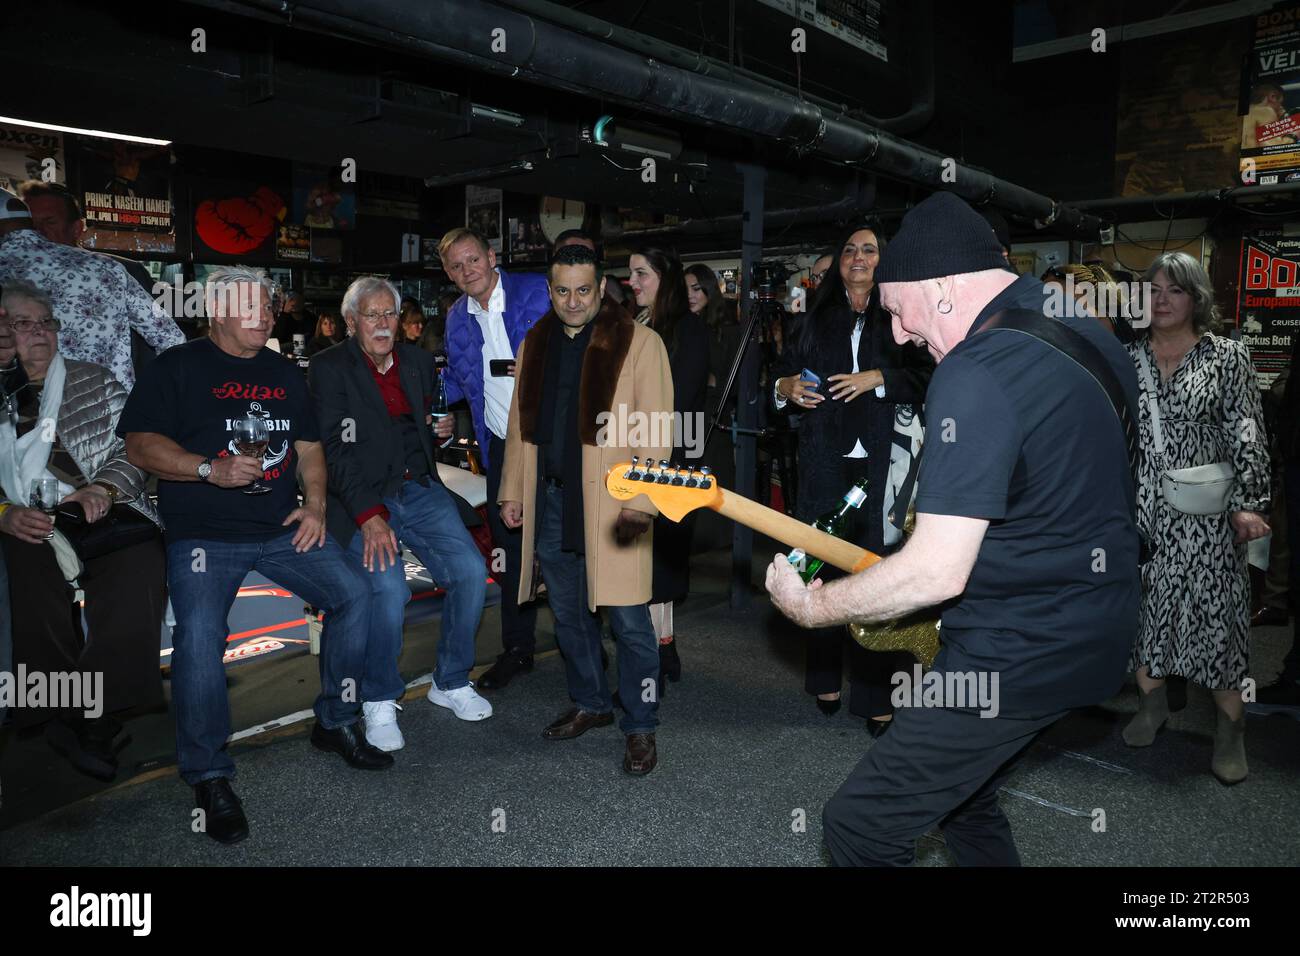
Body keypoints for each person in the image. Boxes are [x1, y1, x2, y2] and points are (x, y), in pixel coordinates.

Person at [766, 192, 1140, 866]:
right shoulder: (1080, 325)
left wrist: (810, 604)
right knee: (965, 802)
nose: (900, 334)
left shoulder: (975, 369)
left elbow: (938, 569)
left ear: (938, 289)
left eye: (895, 309)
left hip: (1019, 647)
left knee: (860, 826)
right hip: (1102, 628)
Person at [119, 266, 389, 846]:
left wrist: (315, 504)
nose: (266, 316)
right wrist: (206, 470)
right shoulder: (177, 365)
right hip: (204, 535)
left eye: (268, 307)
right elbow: (139, 444)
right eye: (251, 308)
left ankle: (335, 721)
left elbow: (310, 445)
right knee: (197, 637)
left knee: (355, 593)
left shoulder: (281, 372)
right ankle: (210, 774)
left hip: (277, 526)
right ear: (216, 311)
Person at [498, 243, 672, 773]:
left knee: (629, 620)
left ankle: (640, 724)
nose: (572, 301)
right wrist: (512, 489)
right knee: (569, 616)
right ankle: (592, 702)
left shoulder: (641, 342)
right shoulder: (536, 341)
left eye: (583, 289)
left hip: (617, 503)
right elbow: (518, 426)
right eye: (562, 290)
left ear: (601, 289)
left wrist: (643, 500)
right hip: (551, 499)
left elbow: (657, 430)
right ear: (550, 291)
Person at [310, 277, 491, 752]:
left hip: (419, 487)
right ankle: (378, 698)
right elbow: (334, 450)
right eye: (372, 315)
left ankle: (449, 680)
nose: (384, 324)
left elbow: (424, 426)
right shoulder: (330, 368)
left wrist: (443, 431)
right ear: (351, 322)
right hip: (361, 497)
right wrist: (370, 516)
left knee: (472, 572)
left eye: (389, 314)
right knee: (387, 589)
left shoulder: (417, 361)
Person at [0, 280, 166, 779]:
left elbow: (137, 447)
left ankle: (98, 712)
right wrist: (4, 514)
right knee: (29, 573)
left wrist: (103, 490)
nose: (40, 333)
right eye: (23, 324)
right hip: (21, 518)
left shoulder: (93, 380)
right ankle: (61, 706)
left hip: (101, 511)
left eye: (46, 322)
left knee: (139, 568)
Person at [772, 222, 932, 733]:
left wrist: (879, 379)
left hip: (886, 462)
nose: (858, 257)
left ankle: (875, 693)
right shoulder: (813, 317)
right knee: (818, 564)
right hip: (823, 462)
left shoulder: (903, 318)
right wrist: (785, 386)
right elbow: (777, 377)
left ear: (882, 262)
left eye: (868, 250)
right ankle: (823, 674)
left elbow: (931, 378)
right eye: (849, 250)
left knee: (876, 571)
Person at [1123, 252, 1271, 784]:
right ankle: (1152, 705)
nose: (1161, 300)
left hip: (1209, 512)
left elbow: (1247, 430)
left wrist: (1250, 501)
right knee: (1146, 611)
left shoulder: (1226, 356)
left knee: (1218, 618)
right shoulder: (1126, 356)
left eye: (1175, 290)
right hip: (1143, 511)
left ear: (1196, 298)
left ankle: (1231, 731)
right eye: (1154, 289)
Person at [438, 227, 551, 689]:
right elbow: (458, 378)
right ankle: (518, 649)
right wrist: (439, 409)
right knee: (508, 548)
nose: (467, 271)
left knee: (566, 544)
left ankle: (586, 646)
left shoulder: (538, 292)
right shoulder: (455, 318)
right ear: (448, 273)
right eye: (456, 266)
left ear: (491, 255)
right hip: (502, 445)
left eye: (473, 260)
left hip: (552, 441)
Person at [628, 245, 709, 693]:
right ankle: (661, 649)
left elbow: (680, 403)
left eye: (641, 273)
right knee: (650, 561)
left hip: (674, 458)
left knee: (657, 563)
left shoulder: (688, 330)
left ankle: (655, 657)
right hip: (644, 454)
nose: (633, 282)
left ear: (665, 276)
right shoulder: (642, 324)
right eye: (631, 274)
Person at [0, 191, 183, 389]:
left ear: (77, 228)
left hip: (26, 415)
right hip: (113, 411)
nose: (40, 231)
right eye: (34, 224)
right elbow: (170, 337)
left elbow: (170, 340)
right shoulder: (108, 268)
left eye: (50, 222)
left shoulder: (116, 268)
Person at [552, 228, 628, 307]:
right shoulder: (540, 298)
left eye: (590, 257)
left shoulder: (607, 299)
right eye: (575, 255)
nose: (583, 262)